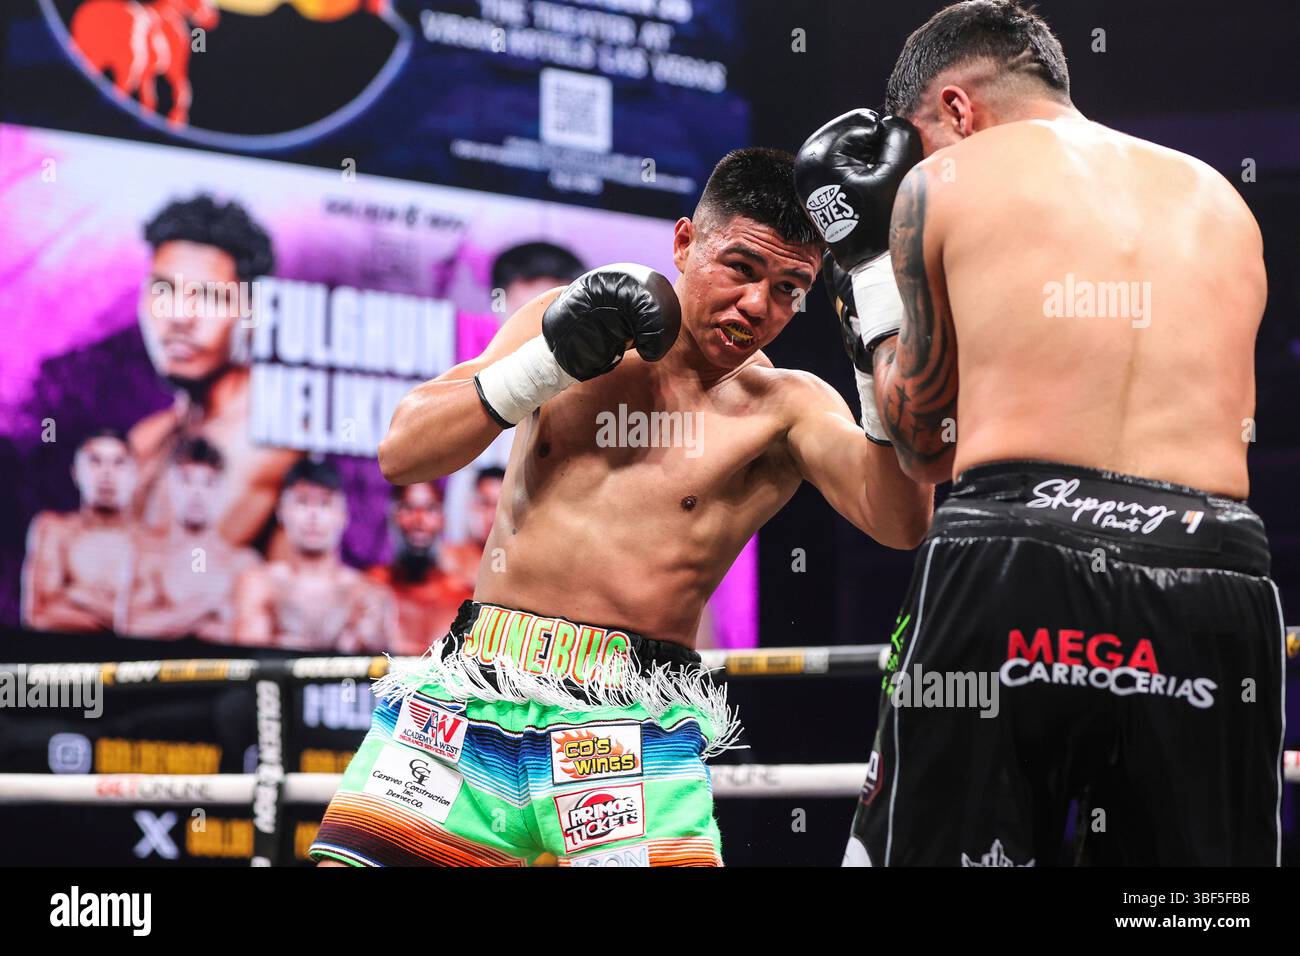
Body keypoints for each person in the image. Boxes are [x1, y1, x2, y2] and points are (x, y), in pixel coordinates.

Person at [311, 147, 932, 867]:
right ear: (683, 242)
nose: (760, 305)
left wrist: (875, 366)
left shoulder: (785, 409)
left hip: (626, 721)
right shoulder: (568, 321)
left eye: (790, 288)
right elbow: (402, 453)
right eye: (741, 267)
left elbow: (902, 521)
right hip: (470, 687)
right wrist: (545, 364)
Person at [795, 0, 1279, 866]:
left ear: (954, 108)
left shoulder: (940, 183)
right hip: (1217, 575)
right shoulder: (1220, 198)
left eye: (919, 139)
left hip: (1019, 551)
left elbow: (920, 443)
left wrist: (867, 267)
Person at [129, 194, 300, 550]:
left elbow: (177, 578)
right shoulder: (147, 437)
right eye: (163, 289)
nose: (179, 316)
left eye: (208, 296)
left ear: (251, 314)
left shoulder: (265, 439)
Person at [232, 458, 396, 651]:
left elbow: (378, 669)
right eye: (302, 502)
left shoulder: (367, 592)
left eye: (325, 503)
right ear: (281, 511)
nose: (313, 515)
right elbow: (250, 657)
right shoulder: (259, 583)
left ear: (343, 515)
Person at [120, 437, 260, 641]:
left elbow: (248, 635)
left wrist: (172, 618)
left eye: (208, 483)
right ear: (170, 485)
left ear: (223, 490)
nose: (197, 493)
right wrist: (206, 607)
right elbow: (132, 626)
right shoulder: (146, 554)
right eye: (186, 480)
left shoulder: (242, 562)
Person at [21, 430, 139, 633]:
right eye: (95, 461)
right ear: (76, 473)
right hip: (61, 657)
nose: (106, 474)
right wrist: (118, 622)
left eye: (118, 463)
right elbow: (38, 614)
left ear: (135, 475)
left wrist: (77, 596)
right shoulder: (53, 529)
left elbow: (162, 623)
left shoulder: (150, 540)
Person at [366, 481, 471, 655]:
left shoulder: (463, 597)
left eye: (430, 509)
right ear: (392, 516)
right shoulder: (371, 587)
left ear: (443, 519)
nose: (419, 520)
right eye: (408, 508)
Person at [440, 466, 503, 592]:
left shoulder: (516, 565)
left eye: (500, 507)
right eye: (485, 504)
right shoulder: (446, 558)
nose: (491, 517)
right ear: (471, 505)